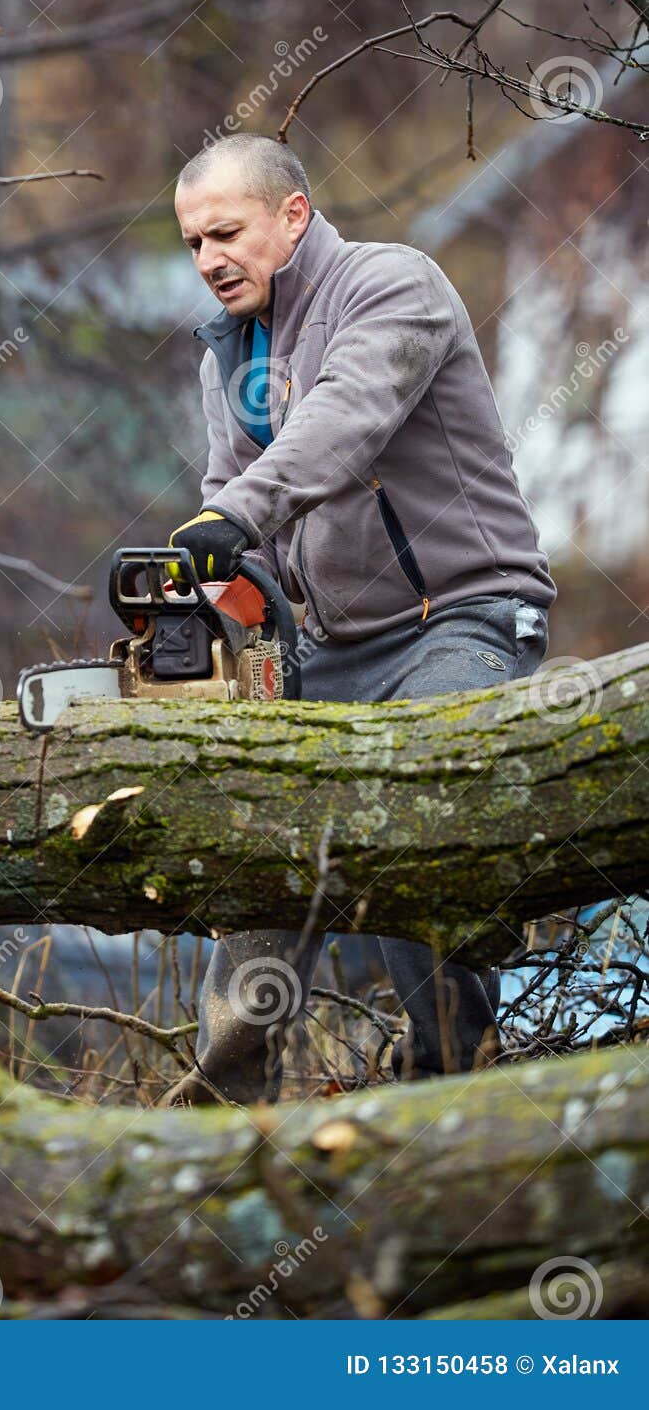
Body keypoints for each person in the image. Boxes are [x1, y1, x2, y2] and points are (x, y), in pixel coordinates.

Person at [164, 134, 554, 1105]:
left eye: (225, 232)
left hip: (459, 619)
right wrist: (205, 592)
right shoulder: (230, 357)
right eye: (190, 243)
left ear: (291, 215)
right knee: (257, 836)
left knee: (411, 813)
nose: (208, 258)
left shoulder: (391, 288)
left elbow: (342, 423)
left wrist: (233, 516)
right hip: (333, 649)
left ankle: (449, 1089)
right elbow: (229, 502)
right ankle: (222, 1110)